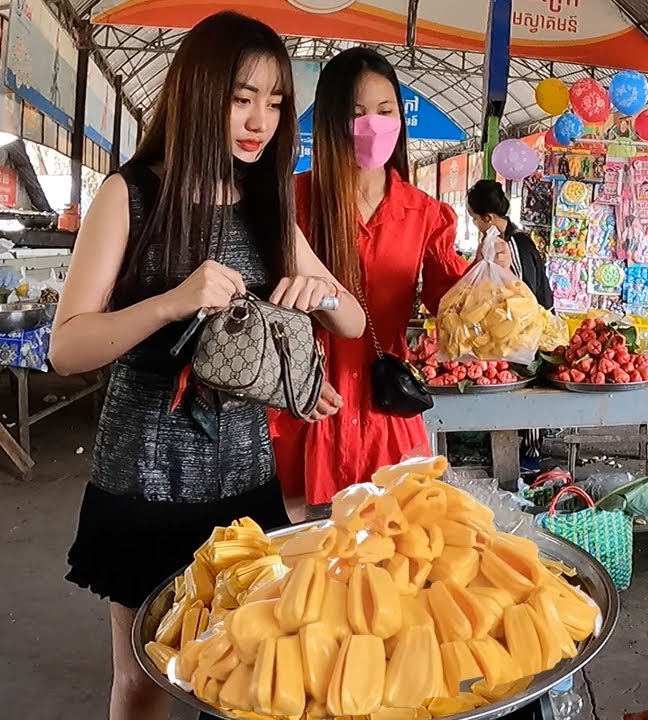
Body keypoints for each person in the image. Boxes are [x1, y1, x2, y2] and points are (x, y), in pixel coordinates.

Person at [53, 13, 365, 720]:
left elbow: (355, 322)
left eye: (276, 101)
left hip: (246, 488)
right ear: (199, 92)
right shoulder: (129, 195)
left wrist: (324, 293)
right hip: (144, 483)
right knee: (146, 678)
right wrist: (171, 302)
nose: (260, 119)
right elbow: (66, 346)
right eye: (241, 97)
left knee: (249, 674)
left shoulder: (265, 208)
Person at [269, 47, 510, 516]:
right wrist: (290, 376)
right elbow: (261, 304)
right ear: (330, 121)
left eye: (385, 111)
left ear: (400, 119)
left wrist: (491, 275)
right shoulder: (291, 202)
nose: (373, 124)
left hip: (386, 411)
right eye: (356, 113)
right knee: (299, 559)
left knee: (392, 554)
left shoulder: (425, 214)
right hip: (305, 406)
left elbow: (451, 304)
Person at [466, 179, 553, 309]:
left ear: (488, 218)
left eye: (474, 218)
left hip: (530, 321)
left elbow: (525, 292)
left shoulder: (517, 244)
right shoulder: (493, 242)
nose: (474, 223)